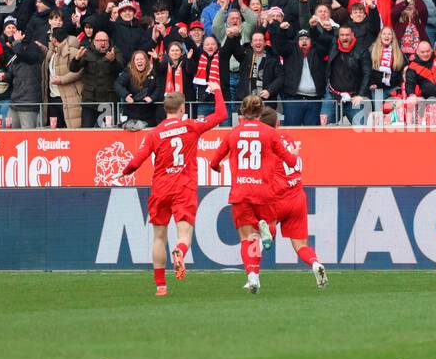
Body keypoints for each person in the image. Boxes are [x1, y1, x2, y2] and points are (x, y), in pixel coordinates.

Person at [120, 85, 226, 296]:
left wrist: (124, 171)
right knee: (184, 234)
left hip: (160, 188)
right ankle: (180, 251)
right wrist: (217, 91)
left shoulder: (155, 133)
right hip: (183, 187)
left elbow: (136, 161)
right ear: (181, 109)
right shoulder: (191, 126)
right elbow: (221, 114)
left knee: (159, 238)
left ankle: (161, 286)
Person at [208, 93, 299, 294]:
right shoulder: (270, 133)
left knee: (247, 238)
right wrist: (293, 156)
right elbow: (290, 161)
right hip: (264, 192)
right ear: (260, 112)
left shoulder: (233, 133)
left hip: (241, 192)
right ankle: (267, 232)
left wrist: (218, 168)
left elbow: (214, 162)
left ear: (242, 112)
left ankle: (252, 275)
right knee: (265, 230)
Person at [254, 105, 328, 289]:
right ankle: (315, 264)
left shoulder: (266, 144)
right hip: (297, 197)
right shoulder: (287, 139)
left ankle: (254, 274)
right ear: (278, 123)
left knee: (256, 230)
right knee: (301, 245)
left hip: (278, 199)